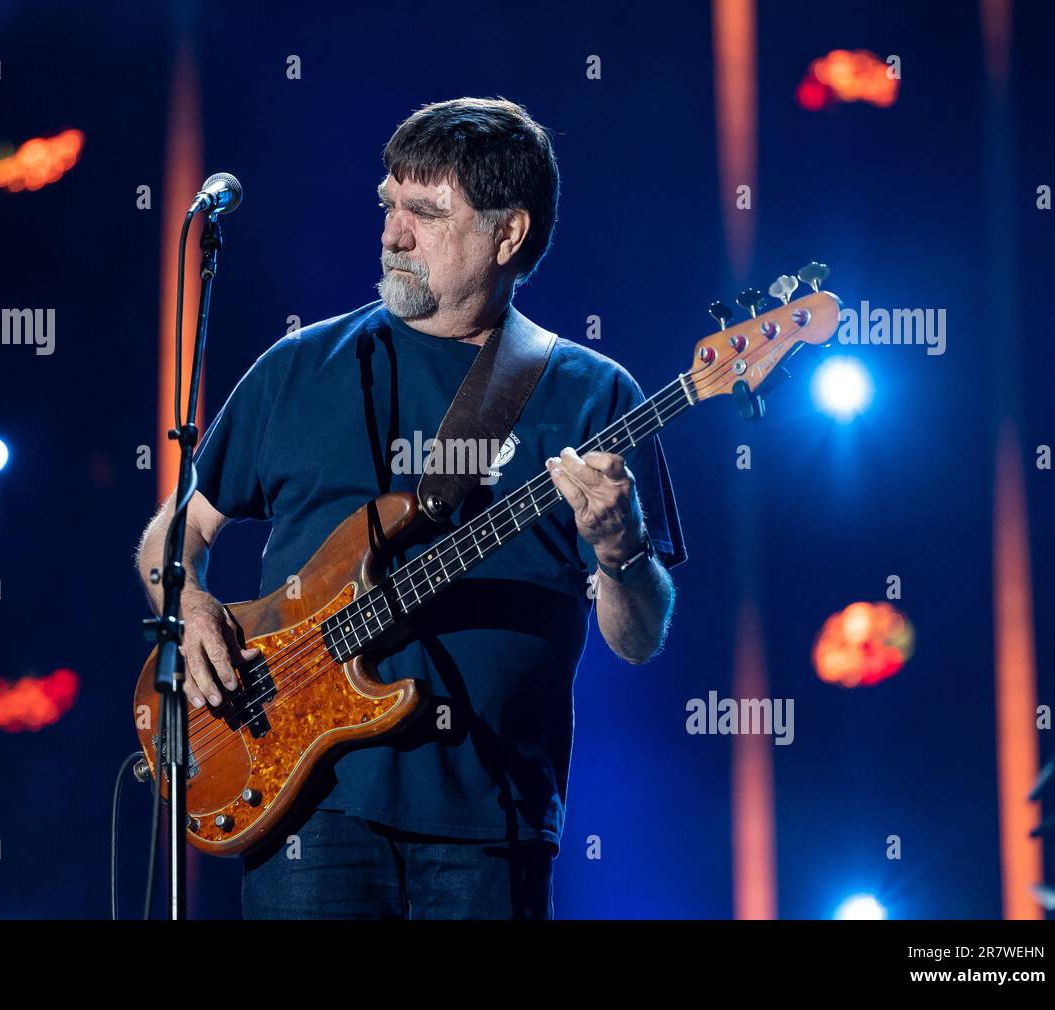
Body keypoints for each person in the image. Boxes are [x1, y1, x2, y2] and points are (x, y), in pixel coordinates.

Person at [136, 97, 685, 919]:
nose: (393, 232)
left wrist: (621, 550)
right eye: (389, 205)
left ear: (508, 235)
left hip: (494, 819)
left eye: (426, 213)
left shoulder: (592, 394)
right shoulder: (300, 367)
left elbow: (636, 640)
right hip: (308, 810)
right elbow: (173, 536)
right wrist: (187, 600)